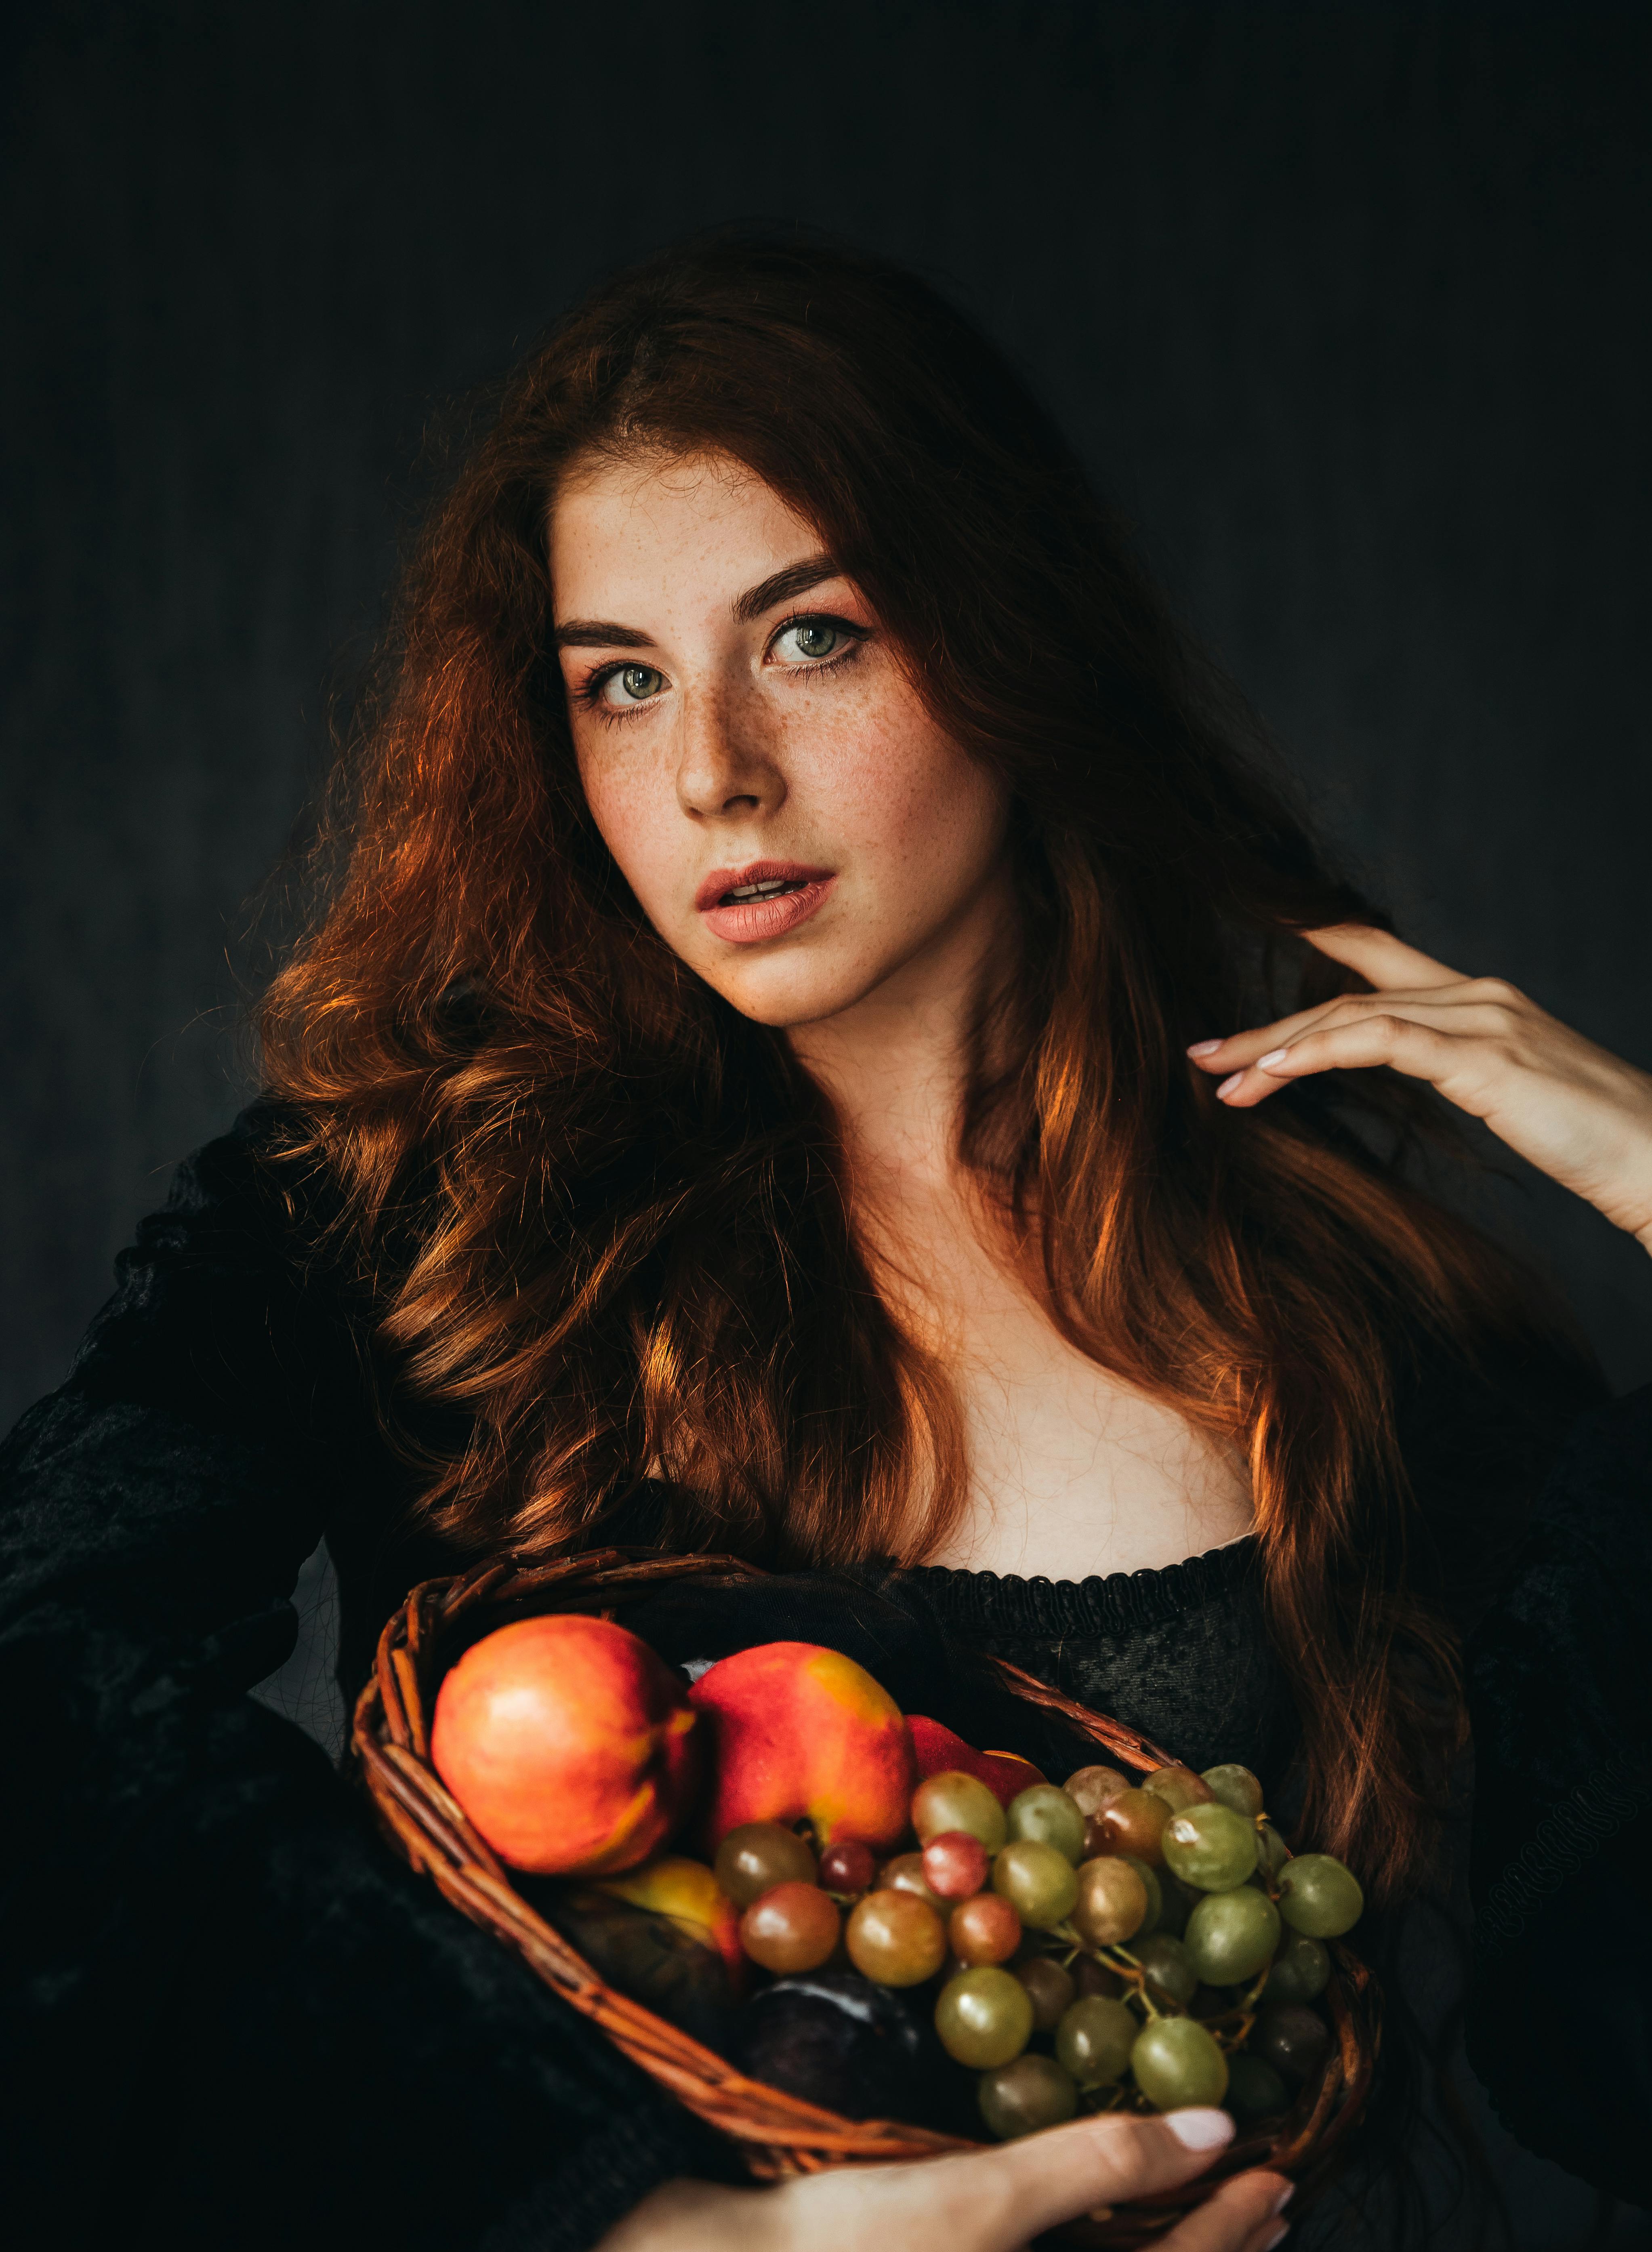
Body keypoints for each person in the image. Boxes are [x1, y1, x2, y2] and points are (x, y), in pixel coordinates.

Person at [3, 236, 1649, 2252]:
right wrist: (651, 2226)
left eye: (814, 638)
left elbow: (1623, 2035)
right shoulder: (392, 1222)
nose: (714, 771)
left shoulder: (1332, 1295)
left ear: (1011, 634)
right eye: (622, 679)